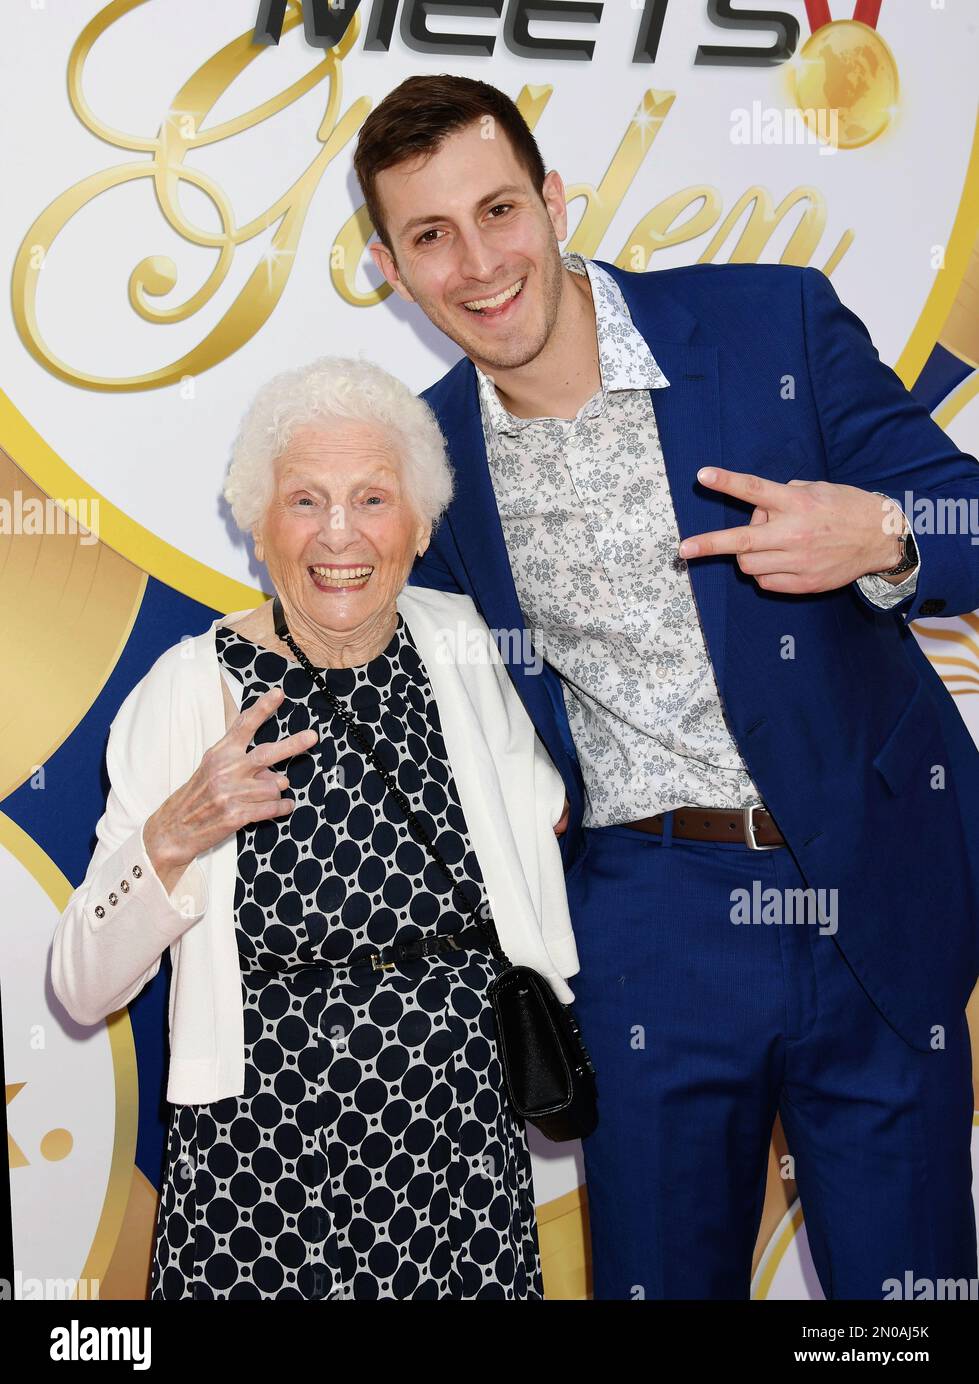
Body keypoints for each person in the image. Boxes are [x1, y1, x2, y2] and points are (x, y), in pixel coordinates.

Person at [351, 74, 979, 1300]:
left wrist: (887, 538)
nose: (478, 263)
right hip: (649, 924)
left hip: (874, 884)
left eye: (498, 211)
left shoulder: (773, 326)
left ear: (555, 199)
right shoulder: (423, 462)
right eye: (431, 236)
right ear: (390, 266)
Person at [50, 355, 579, 1301]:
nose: (340, 533)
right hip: (263, 1161)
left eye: (374, 498)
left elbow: (552, 817)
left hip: (458, 1140)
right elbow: (81, 987)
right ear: (257, 526)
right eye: (304, 501)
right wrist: (172, 837)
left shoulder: (472, 650)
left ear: (418, 526)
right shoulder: (185, 689)